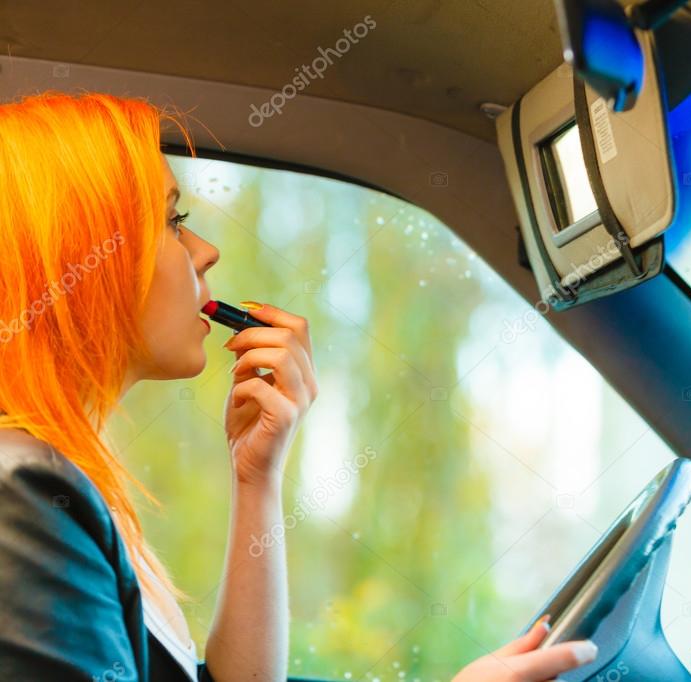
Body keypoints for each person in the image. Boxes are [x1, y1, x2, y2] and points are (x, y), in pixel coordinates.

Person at [0, 92, 598, 681]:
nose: (207, 252)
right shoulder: (23, 490)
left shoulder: (59, 476)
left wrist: (256, 475)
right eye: (171, 222)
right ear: (78, 258)